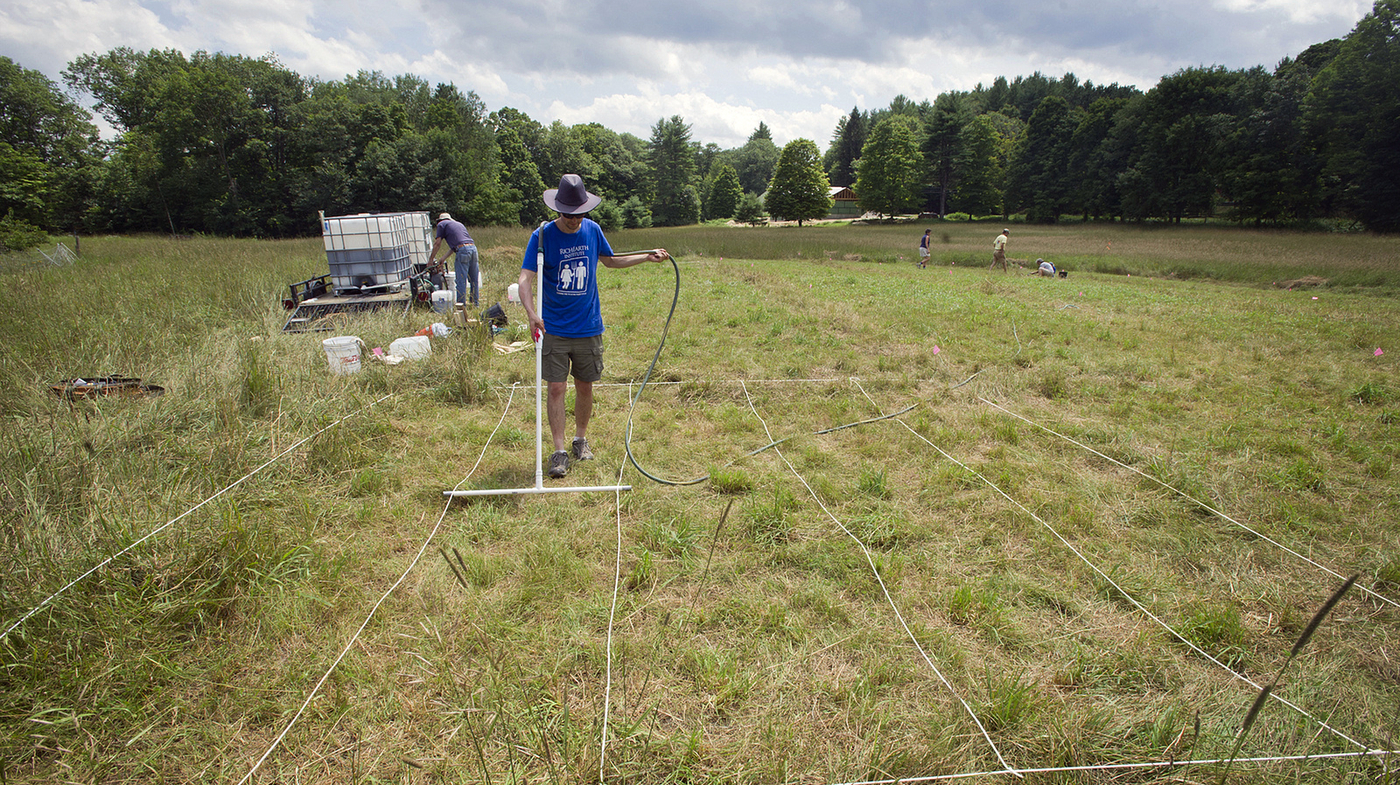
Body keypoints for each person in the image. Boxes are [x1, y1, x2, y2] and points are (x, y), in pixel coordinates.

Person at [519, 174, 670, 479]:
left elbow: (611, 261)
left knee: (585, 385)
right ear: (557, 210)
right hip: (555, 328)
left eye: (580, 215)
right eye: (568, 215)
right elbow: (525, 278)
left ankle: (580, 440)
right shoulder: (543, 236)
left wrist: (646, 257)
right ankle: (559, 451)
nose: (574, 221)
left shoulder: (593, 230)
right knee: (557, 387)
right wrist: (532, 313)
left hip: (589, 325)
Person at [429, 213, 478, 307]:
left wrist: (430, 259)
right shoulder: (458, 224)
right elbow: (456, 246)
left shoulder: (441, 224)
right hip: (473, 249)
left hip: (463, 251)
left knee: (461, 280)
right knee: (473, 279)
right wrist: (443, 258)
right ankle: (475, 303)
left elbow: (437, 243)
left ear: (439, 221)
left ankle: (461, 306)